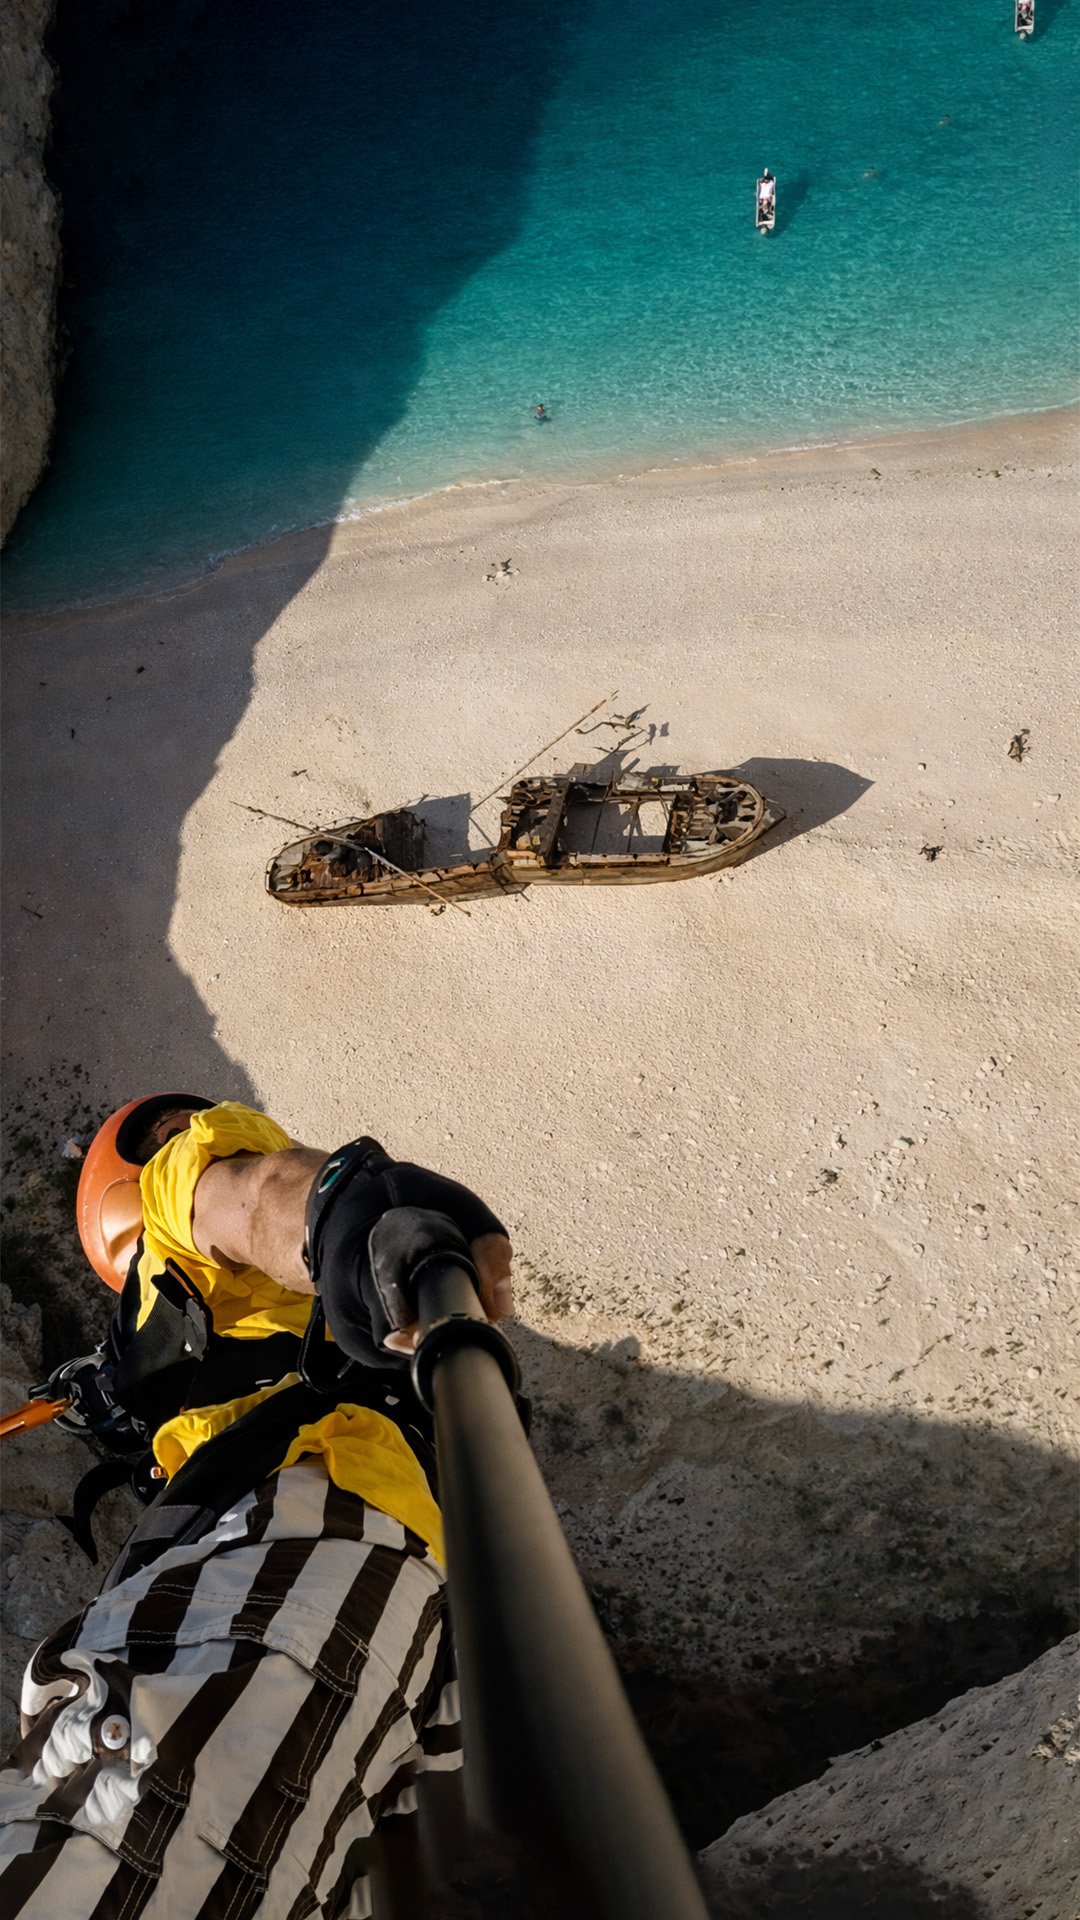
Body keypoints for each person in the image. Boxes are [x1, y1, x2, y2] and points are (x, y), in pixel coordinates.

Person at [0, 1095, 515, 1919]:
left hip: (295, 1529)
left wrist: (345, 1221)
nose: (178, 1136)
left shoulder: (190, 1172)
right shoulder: (179, 1315)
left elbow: (259, 1194)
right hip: (345, 1583)